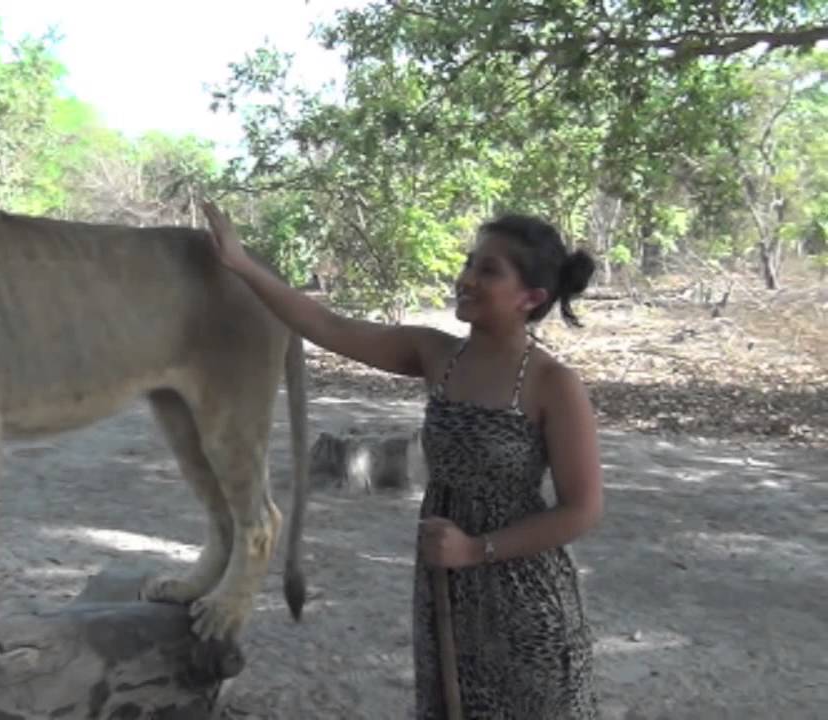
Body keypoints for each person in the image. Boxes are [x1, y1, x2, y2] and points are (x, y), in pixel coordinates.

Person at [199, 200, 602, 719]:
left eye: (488, 270)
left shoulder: (554, 384)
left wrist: (475, 549)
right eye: (468, 263)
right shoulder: (437, 354)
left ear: (532, 297)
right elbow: (327, 325)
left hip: (522, 595)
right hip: (445, 583)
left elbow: (582, 510)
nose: (467, 279)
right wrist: (242, 264)